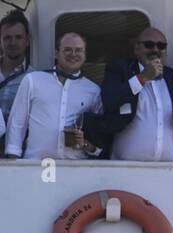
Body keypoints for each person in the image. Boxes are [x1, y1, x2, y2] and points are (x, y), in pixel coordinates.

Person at [96, 26, 173, 161]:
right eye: (149, 45)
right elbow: (110, 101)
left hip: (170, 170)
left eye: (161, 46)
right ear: (136, 49)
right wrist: (143, 77)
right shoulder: (120, 69)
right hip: (124, 168)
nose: (155, 50)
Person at [3, 33, 103, 160]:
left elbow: (99, 140)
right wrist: (13, 160)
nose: (73, 54)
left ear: (85, 55)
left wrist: (85, 144)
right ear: (56, 53)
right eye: (67, 49)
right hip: (35, 165)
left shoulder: (93, 91)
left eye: (78, 50)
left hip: (77, 168)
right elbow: (17, 123)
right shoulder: (33, 80)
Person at [0, 10, 31, 142]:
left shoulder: (36, 77)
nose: (12, 43)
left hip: (18, 151)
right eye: (7, 37)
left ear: (27, 40)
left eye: (18, 37)